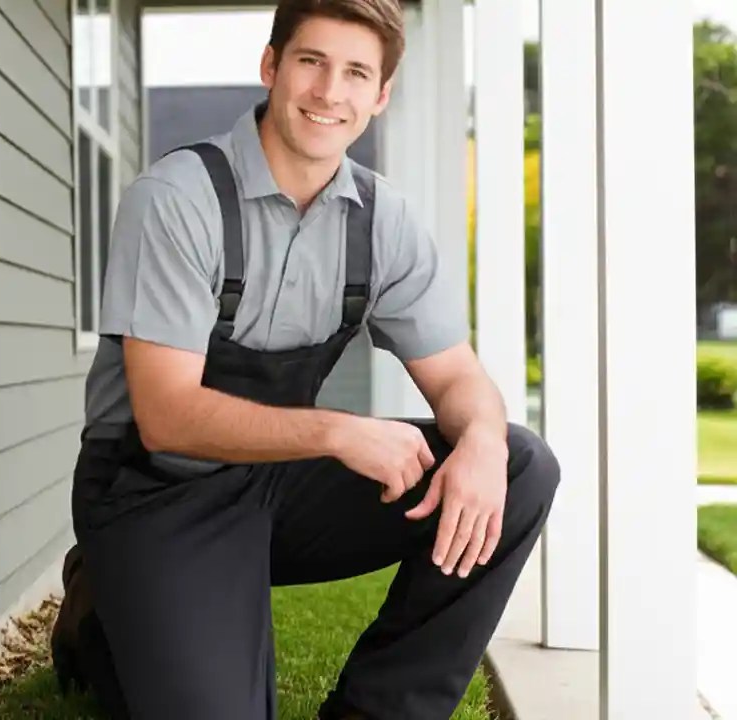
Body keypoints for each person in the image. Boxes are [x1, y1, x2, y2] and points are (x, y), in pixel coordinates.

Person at [49, 1, 562, 718]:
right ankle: (103, 600)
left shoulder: (384, 222)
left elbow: (456, 378)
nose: (330, 92)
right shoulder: (178, 200)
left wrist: (478, 440)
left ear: (380, 96)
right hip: (154, 487)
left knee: (518, 464)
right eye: (312, 62)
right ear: (271, 66)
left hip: (277, 486)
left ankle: (378, 710)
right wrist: (337, 432)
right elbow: (165, 416)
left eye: (357, 73)